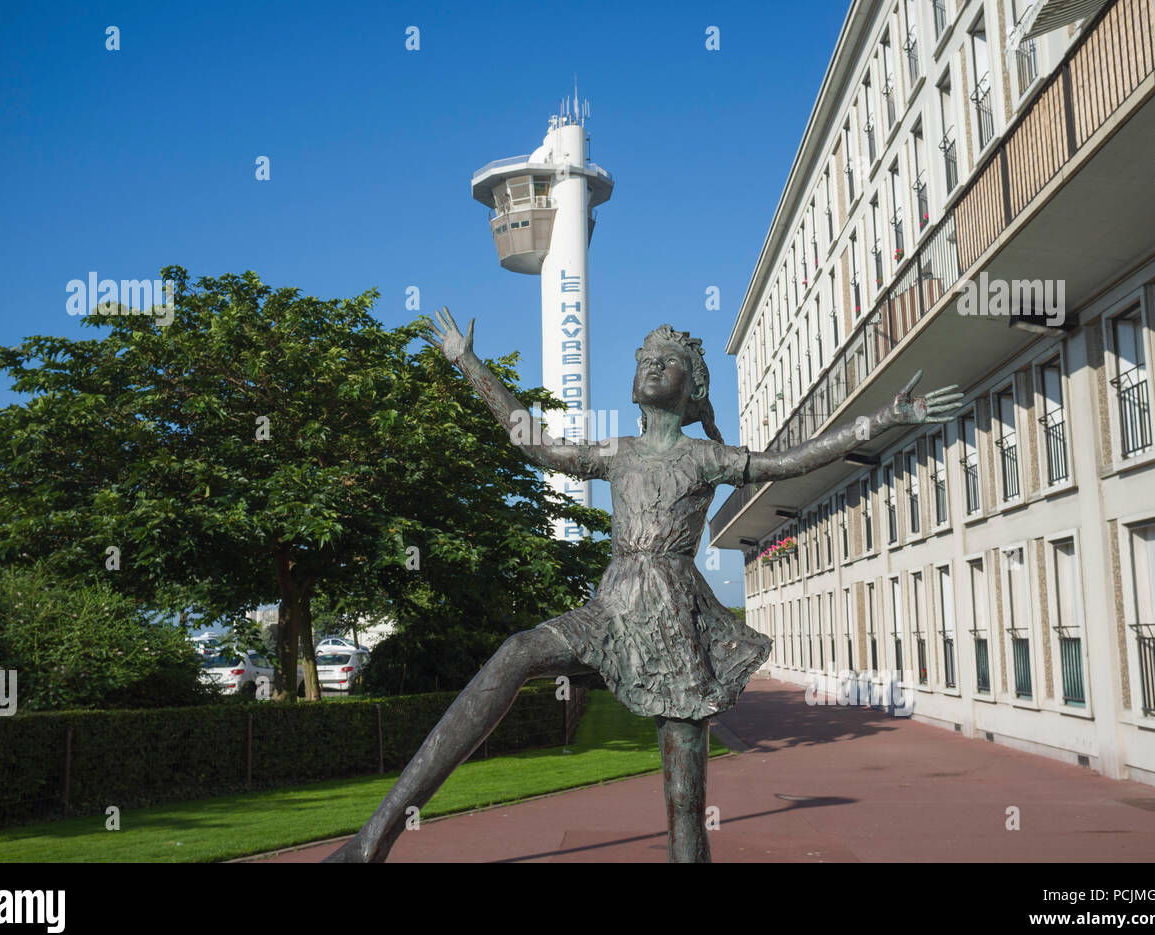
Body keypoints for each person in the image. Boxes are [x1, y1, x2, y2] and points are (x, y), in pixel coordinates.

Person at [325, 308, 963, 863]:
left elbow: (792, 460)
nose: (654, 366)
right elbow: (538, 447)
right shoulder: (618, 451)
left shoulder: (705, 457)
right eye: (646, 359)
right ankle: (372, 839)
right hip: (614, 606)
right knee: (518, 651)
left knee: (686, 804)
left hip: (679, 624)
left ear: (692, 390)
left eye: (669, 361)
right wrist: (470, 365)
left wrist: (883, 419)